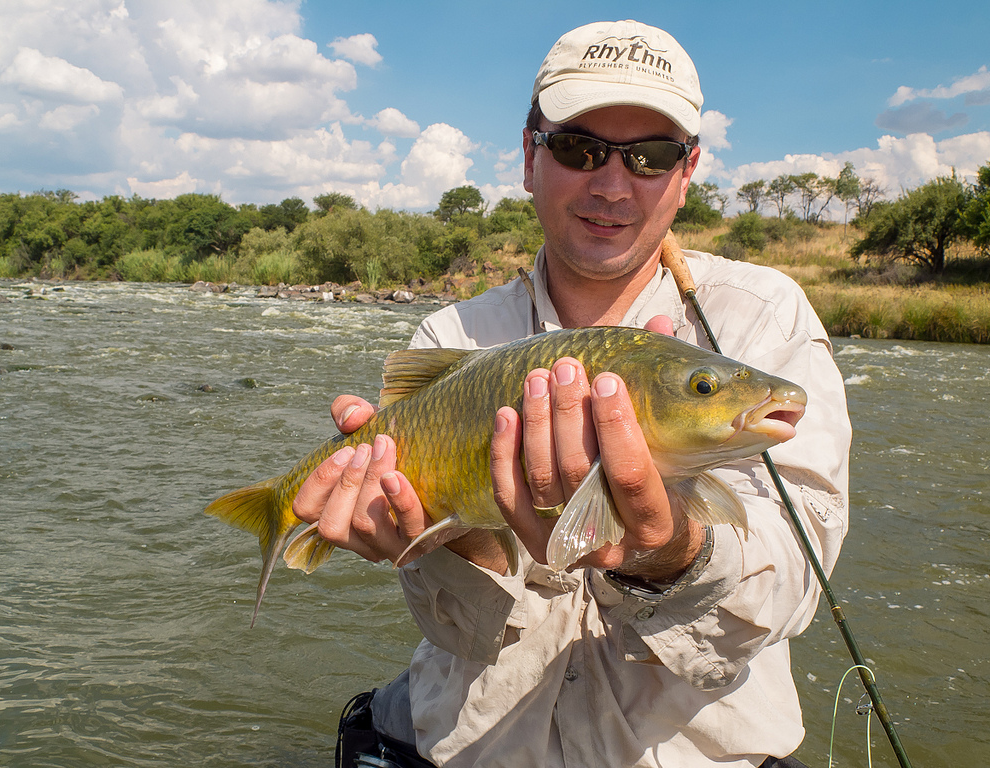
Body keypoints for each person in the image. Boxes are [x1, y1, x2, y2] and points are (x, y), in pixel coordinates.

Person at [293, 19, 851, 768]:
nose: (613, 184)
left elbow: (793, 582)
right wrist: (447, 538)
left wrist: (668, 551)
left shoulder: (765, 316)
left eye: (650, 156)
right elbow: (455, 630)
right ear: (530, 157)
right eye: (578, 148)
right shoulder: (449, 338)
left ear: (687, 173)